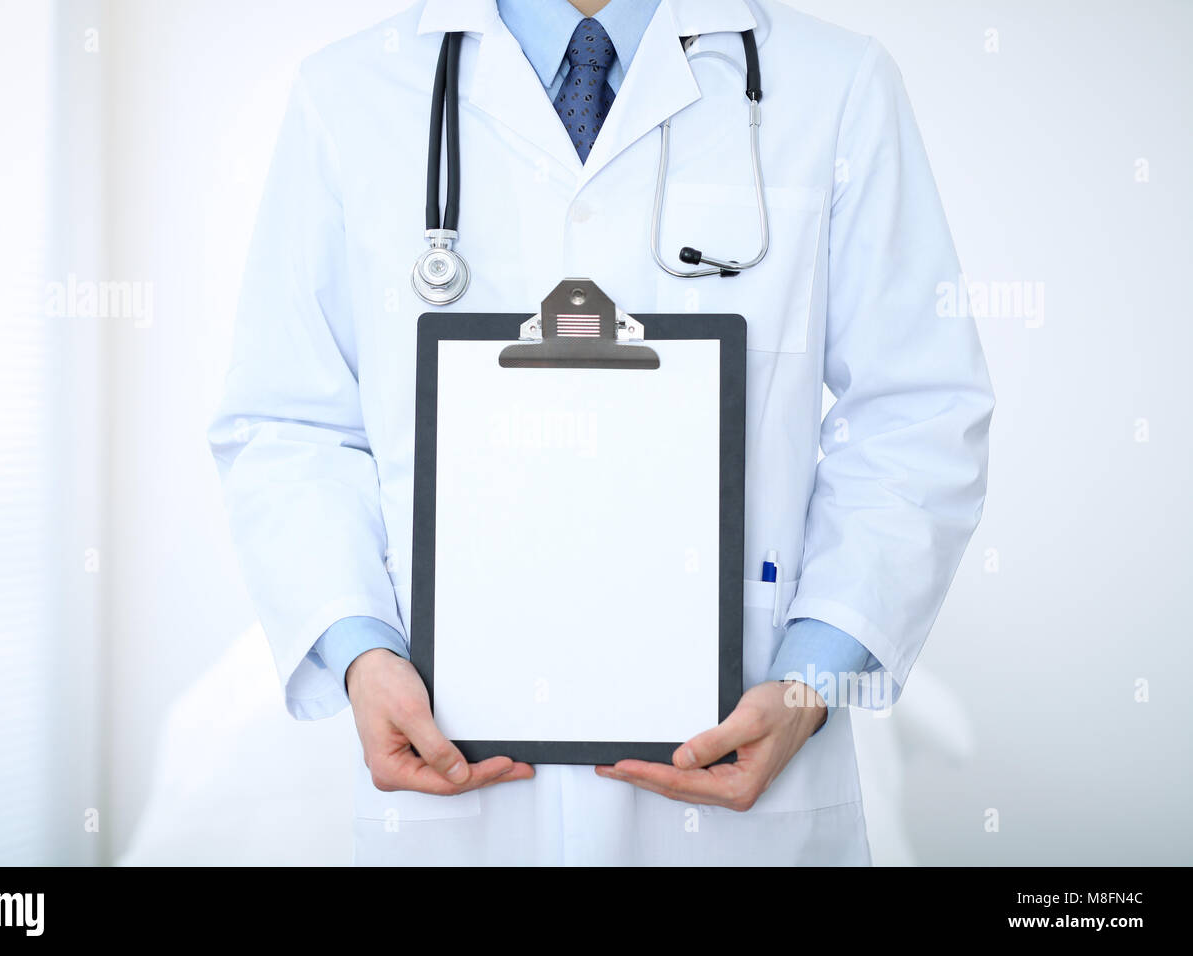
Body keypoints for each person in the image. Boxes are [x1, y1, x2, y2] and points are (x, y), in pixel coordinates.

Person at [209, 0, 994, 865]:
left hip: (737, 787)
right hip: (457, 787)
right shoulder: (348, 93)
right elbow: (290, 425)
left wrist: (811, 678)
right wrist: (360, 651)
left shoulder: (837, 84)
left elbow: (917, 411)